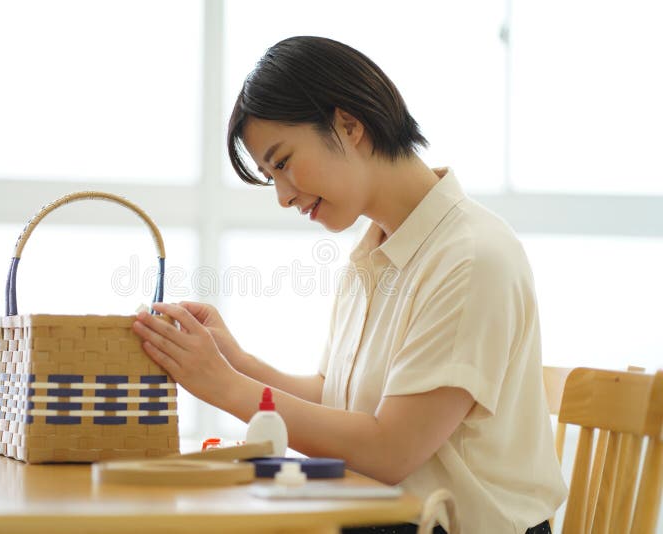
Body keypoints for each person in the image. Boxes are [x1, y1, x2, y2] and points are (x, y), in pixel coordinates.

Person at [132, 36, 566, 534]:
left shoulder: (470, 258)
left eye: (282, 162)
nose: (282, 195)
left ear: (348, 125)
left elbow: (389, 450)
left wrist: (224, 386)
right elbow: (336, 400)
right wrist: (235, 361)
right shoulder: (377, 251)